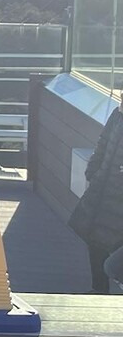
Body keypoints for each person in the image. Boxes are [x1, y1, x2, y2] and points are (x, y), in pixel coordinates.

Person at [68, 101, 123, 294]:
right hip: (104, 188)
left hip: (117, 195)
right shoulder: (118, 112)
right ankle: (99, 291)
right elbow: (104, 141)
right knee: (95, 239)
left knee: (114, 247)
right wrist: (93, 170)